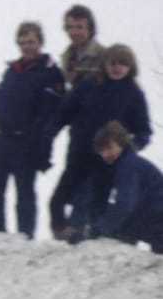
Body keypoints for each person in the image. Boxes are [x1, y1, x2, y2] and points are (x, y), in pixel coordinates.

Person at [51, 43, 152, 240]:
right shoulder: (89, 86)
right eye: (113, 62)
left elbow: (144, 131)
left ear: (131, 67)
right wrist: (48, 134)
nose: (117, 68)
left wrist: (128, 150)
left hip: (107, 161)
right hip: (80, 154)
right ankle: (60, 235)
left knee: (95, 203)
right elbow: (64, 112)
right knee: (58, 200)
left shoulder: (134, 95)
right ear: (105, 63)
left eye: (123, 64)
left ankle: (91, 241)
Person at [0, 22, 64, 239]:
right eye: (23, 42)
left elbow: (51, 112)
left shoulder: (49, 72)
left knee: (25, 194)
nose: (27, 47)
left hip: (26, 143)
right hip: (0, 138)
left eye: (31, 42)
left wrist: (40, 144)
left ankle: (25, 237)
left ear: (40, 42)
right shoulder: (12, 70)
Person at [85, 121, 163, 252]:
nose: (105, 154)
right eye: (101, 150)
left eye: (109, 148)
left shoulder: (128, 166)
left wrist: (100, 229)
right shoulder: (124, 164)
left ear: (121, 144)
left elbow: (125, 204)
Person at [58, 4, 104, 87]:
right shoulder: (67, 57)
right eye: (71, 27)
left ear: (90, 29)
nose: (74, 32)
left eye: (79, 27)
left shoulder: (104, 56)